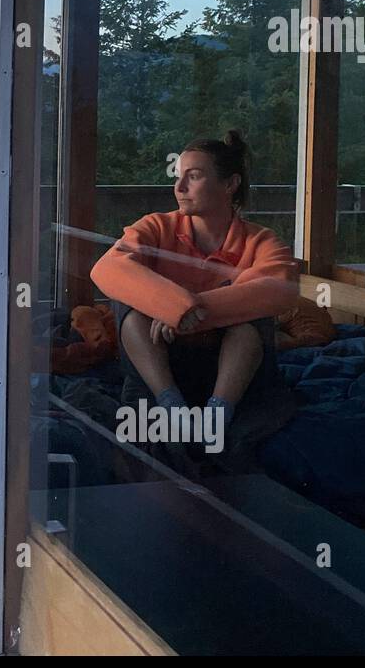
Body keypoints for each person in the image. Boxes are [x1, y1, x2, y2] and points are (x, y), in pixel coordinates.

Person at [90, 130, 297, 455]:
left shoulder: (261, 240)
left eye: (194, 176)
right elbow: (105, 269)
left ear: (230, 184)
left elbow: (281, 287)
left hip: (228, 372)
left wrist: (195, 311)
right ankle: (170, 404)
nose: (179, 187)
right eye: (178, 177)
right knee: (129, 307)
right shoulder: (156, 226)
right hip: (165, 362)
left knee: (250, 323)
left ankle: (218, 414)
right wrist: (171, 306)